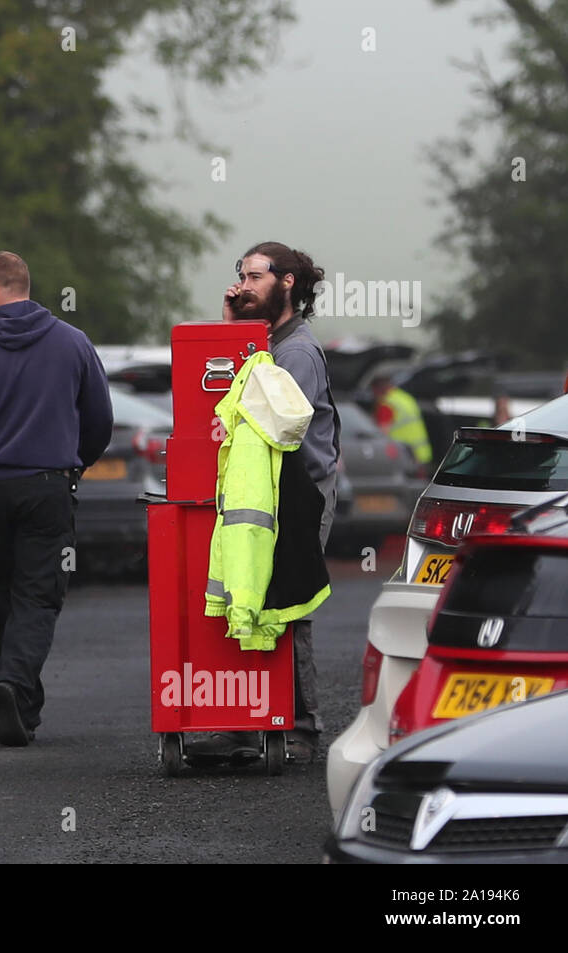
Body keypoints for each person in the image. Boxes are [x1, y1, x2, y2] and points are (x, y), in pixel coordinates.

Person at [0, 251, 113, 747]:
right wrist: (76, 460)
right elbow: (100, 420)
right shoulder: (74, 344)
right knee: (38, 595)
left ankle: (20, 709)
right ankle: (11, 684)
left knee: (1, 594)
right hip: (48, 486)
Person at [219, 241, 341, 762]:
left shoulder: (294, 351)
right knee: (260, 599)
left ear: (287, 282)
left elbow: (272, 424)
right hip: (275, 489)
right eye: (241, 277)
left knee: (291, 600)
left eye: (254, 278)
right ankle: (258, 719)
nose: (243, 286)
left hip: (301, 493)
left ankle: (302, 728)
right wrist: (230, 326)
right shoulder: (268, 341)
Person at [370, 374, 432, 465]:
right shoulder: (405, 398)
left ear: (377, 389)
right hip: (421, 453)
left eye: (373, 391)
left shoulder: (386, 405)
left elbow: (381, 434)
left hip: (404, 457)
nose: (373, 396)